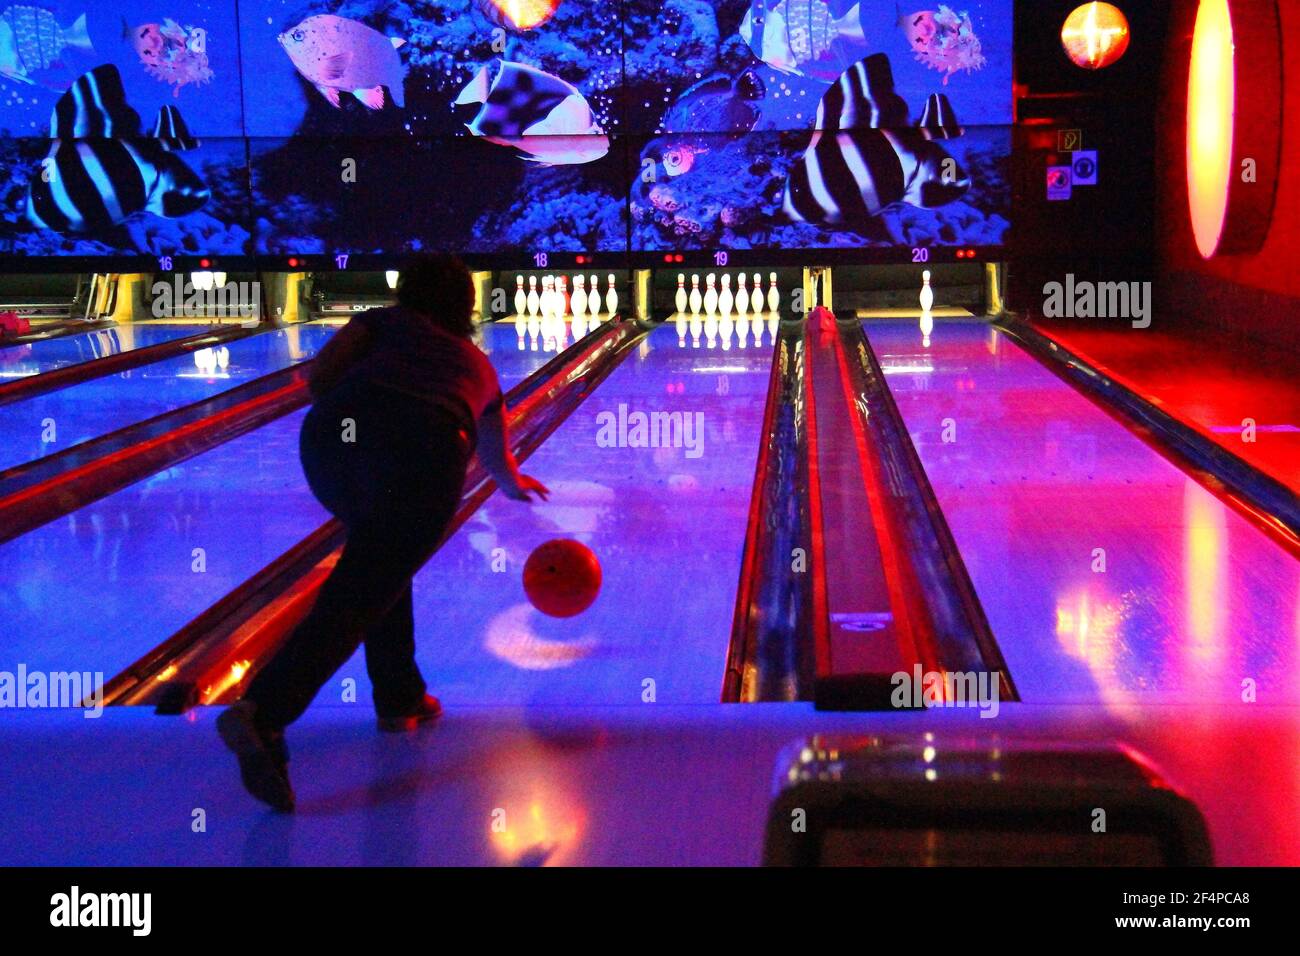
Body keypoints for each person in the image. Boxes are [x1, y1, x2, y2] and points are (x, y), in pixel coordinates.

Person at [218, 254, 548, 812]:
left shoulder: (378, 322)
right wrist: (514, 487)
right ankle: (265, 712)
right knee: (367, 581)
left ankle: (399, 697)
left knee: (379, 562)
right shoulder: (478, 366)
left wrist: (367, 405)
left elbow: (318, 381)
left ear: (405, 292)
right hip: (426, 453)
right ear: (466, 306)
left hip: (331, 446)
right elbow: (495, 454)